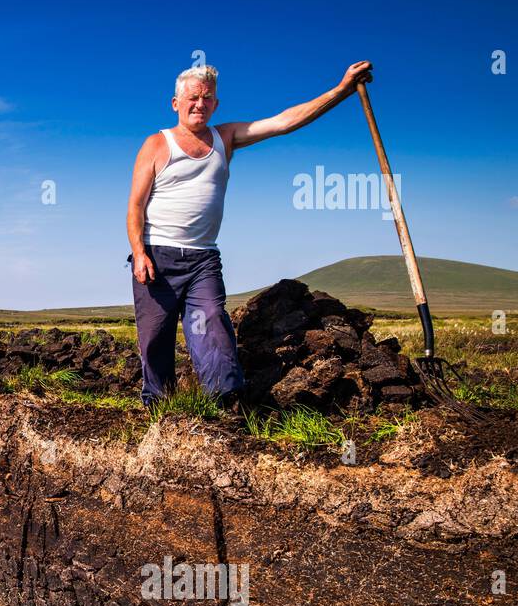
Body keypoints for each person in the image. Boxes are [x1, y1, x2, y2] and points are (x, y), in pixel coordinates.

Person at [126, 60, 373, 407]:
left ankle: (225, 403)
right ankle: (160, 409)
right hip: (156, 255)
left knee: (211, 323)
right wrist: (139, 252)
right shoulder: (156, 144)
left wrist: (342, 89)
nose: (199, 104)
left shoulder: (224, 137)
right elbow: (135, 206)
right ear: (175, 103)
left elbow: (283, 123)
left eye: (207, 98)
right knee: (155, 337)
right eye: (192, 97)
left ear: (215, 104)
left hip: (202, 260)